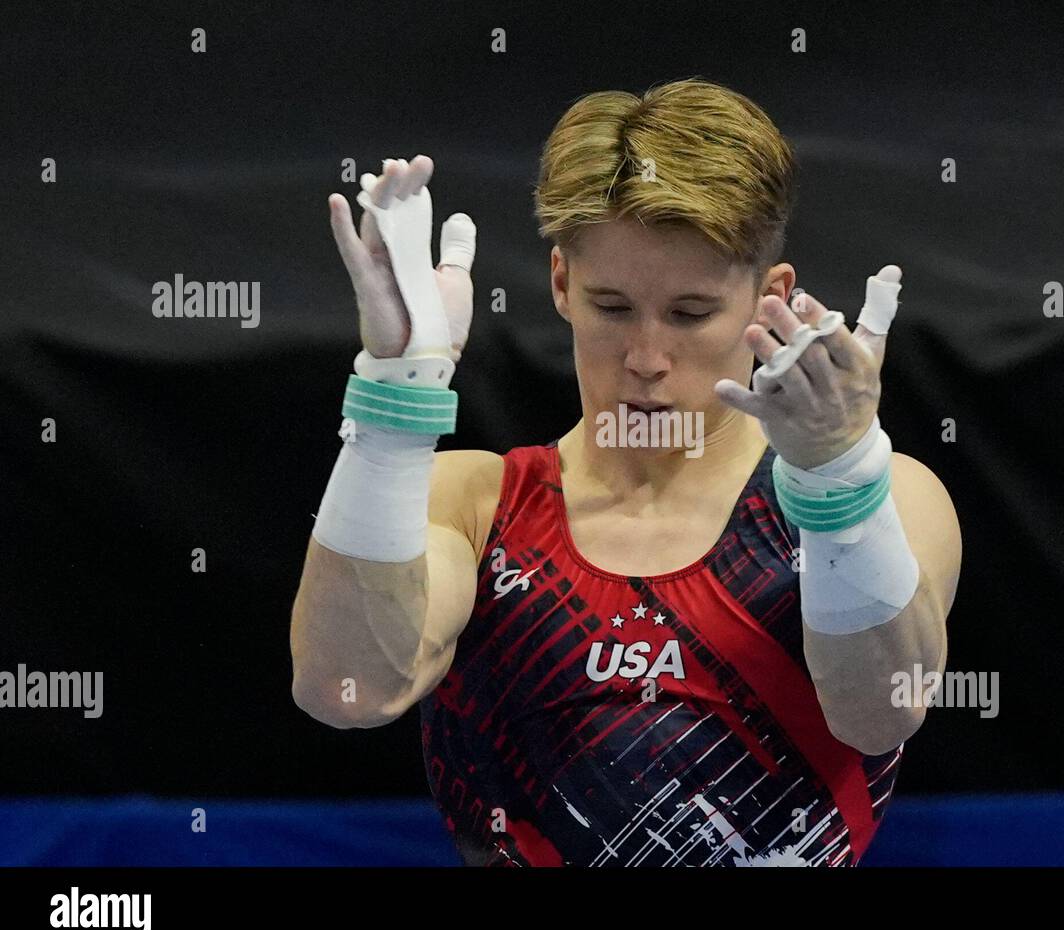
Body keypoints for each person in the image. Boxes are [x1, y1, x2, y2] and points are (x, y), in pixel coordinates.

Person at [291, 78, 961, 866]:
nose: (646, 358)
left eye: (689, 313)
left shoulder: (890, 498)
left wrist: (840, 479)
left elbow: (878, 716)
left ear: (769, 295)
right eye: (612, 307)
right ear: (561, 284)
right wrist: (391, 406)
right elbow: (348, 689)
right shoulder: (472, 505)